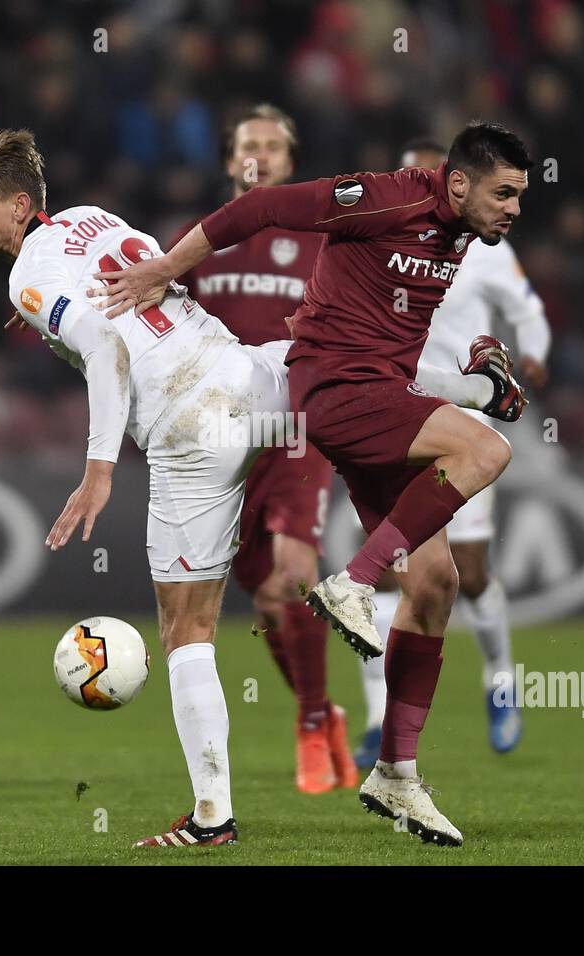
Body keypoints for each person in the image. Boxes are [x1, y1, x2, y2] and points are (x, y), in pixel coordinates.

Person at [92, 122, 532, 846]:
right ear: (459, 183)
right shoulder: (388, 200)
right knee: (485, 454)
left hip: (379, 397)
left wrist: (478, 388)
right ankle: (355, 584)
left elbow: (392, 353)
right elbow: (262, 209)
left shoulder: (457, 238)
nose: (515, 208)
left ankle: (396, 772)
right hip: (331, 392)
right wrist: (167, 267)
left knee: (435, 582)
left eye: (521, 195)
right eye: (505, 192)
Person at [0, 128, 295, 848]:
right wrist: (49, 316)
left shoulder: (25, 277)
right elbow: (141, 292)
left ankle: (212, 820)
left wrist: (98, 467)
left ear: (17, 206)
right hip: (242, 374)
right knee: (356, 390)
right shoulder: (91, 219)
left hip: (192, 431)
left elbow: (106, 345)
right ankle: (468, 387)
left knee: (187, 631)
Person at [171, 103, 352, 795]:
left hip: (297, 424)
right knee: (267, 598)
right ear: (228, 159)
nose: (261, 155)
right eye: (249, 144)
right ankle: (323, 710)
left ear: (290, 161)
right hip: (218, 437)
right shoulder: (197, 244)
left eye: (275, 145)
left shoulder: (327, 240)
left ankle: (310, 722)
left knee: (292, 572)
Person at [355, 139, 552, 766]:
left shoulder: (484, 247)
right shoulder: (382, 235)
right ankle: (376, 716)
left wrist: (538, 352)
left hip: (456, 421)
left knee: (469, 569)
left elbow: (528, 308)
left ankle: (500, 679)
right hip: (391, 415)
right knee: (393, 570)